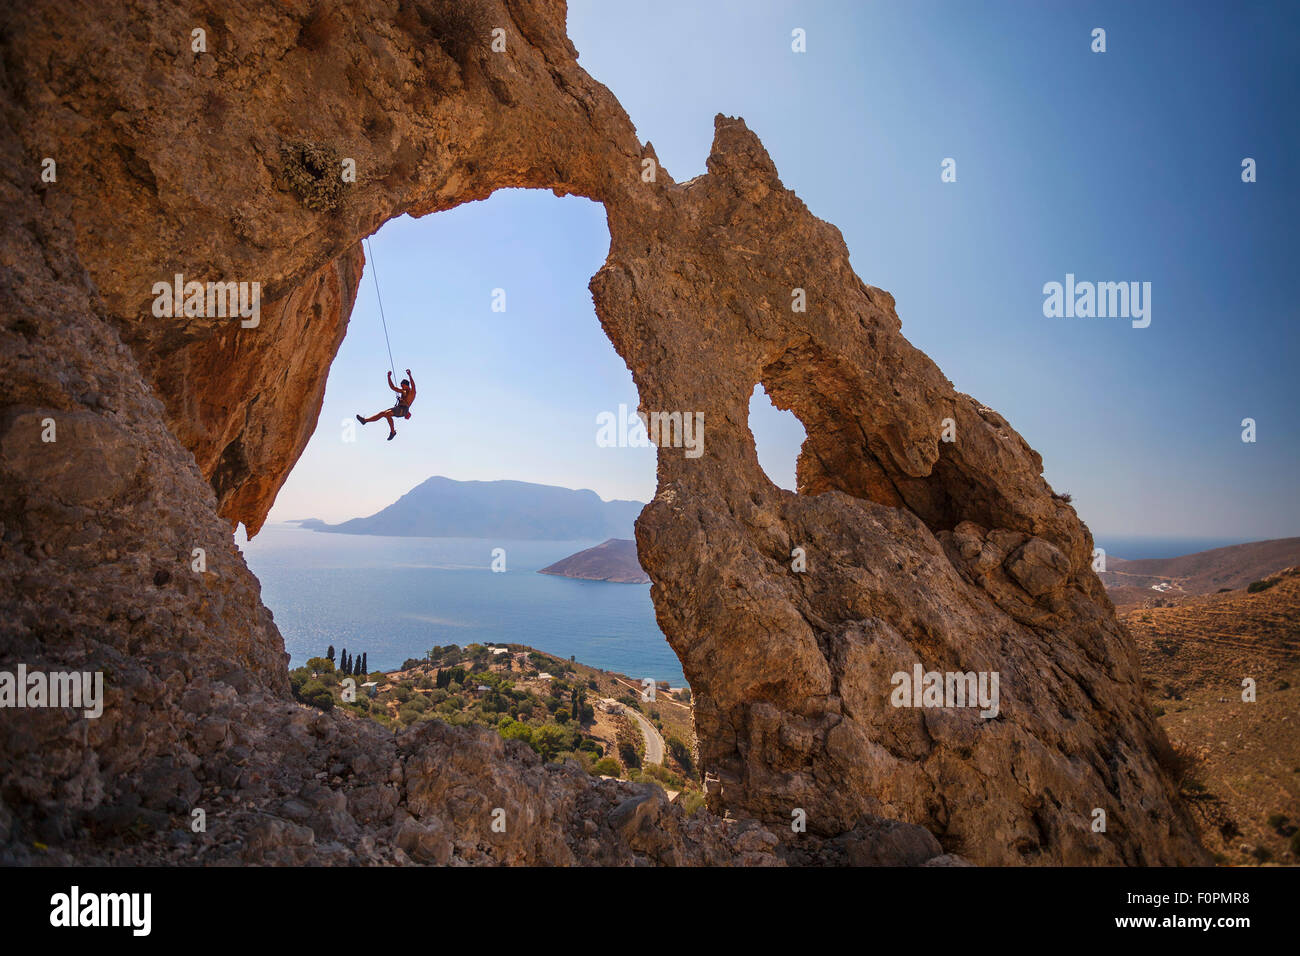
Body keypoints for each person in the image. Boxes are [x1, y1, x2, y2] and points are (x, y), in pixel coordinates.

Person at [357, 369, 415, 441]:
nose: (402, 388)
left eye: (403, 386)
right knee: (382, 413)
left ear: (406, 385)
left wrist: (409, 375)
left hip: (404, 410)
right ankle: (365, 421)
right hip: (398, 408)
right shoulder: (403, 391)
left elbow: (413, 384)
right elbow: (393, 387)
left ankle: (393, 432)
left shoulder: (412, 392)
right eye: (401, 386)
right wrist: (388, 377)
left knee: (387, 414)